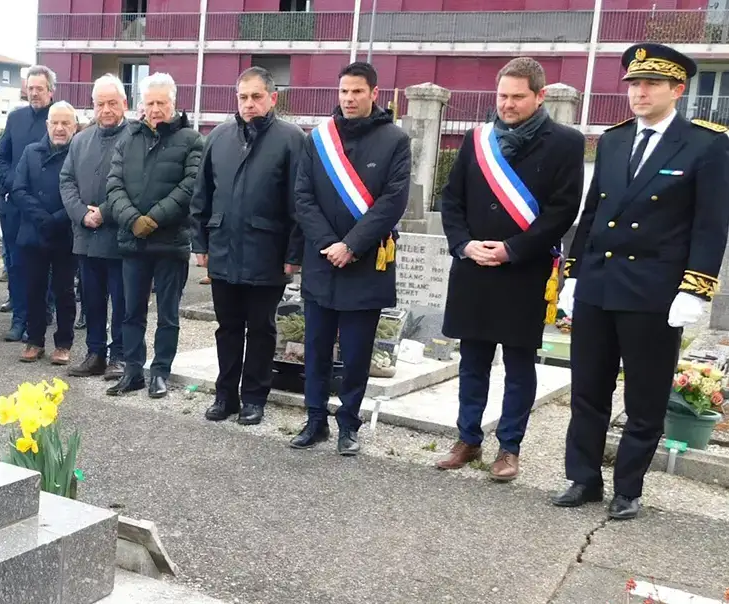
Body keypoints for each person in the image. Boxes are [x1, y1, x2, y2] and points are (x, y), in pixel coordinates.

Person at [553, 43, 729, 520]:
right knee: (588, 389)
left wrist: (695, 287)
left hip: (653, 293)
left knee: (644, 397)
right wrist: (572, 274)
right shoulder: (613, 139)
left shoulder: (706, 143)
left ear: (678, 88)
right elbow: (592, 215)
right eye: (633, 83)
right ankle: (583, 478)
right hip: (598, 286)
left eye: (651, 83)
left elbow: (711, 224)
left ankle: (627, 488)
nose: (639, 92)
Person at [436, 58, 585, 482]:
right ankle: (467, 439)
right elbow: (452, 199)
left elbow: (562, 210)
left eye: (517, 96)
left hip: (523, 269)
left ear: (540, 96)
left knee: (519, 365)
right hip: (474, 266)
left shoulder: (566, 143)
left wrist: (512, 250)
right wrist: (464, 244)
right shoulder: (477, 139)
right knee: (473, 360)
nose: (507, 104)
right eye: (502, 95)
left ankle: (509, 447)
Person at [290, 61, 411, 453]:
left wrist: (351, 245)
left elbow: (393, 201)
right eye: (344, 91)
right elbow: (302, 196)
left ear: (374, 93)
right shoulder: (318, 139)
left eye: (357, 91)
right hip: (322, 260)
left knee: (357, 352)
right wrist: (329, 243)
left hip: (365, 263)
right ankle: (314, 421)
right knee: (316, 347)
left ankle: (348, 426)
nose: (349, 98)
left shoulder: (395, 139)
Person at [191, 66, 305, 426]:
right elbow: (202, 196)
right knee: (226, 327)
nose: (249, 104)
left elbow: (298, 203)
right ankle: (225, 395)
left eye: (257, 97)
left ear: (272, 98)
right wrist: (200, 243)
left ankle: (255, 397)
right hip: (223, 247)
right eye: (243, 97)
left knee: (261, 328)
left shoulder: (291, 139)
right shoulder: (219, 137)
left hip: (266, 251)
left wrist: (293, 253)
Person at [104, 73, 204, 399]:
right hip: (134, 242)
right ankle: (132, 370)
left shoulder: (191, 140)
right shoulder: (128, 138)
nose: (156, 109)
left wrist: (154, 218)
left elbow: (190, 187)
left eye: (162, 102)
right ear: (141, 105)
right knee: (131, 311)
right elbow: (114, 184)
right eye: (150, 103)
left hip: (170, 242)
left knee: (168, 314)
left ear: (174, 103)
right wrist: (133, 220)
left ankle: (160, 372)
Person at [60, 74, 132, 379]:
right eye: (100, 104)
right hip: (86, 237)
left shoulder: (136, 138)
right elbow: (66, 181)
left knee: (122, 301)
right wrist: (80, 213)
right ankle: (95, 353)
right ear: (93, 106)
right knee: (91, 299)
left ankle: (119, 355)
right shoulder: (80, 140)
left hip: (119, 237)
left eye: (112, 103)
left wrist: (103, 212)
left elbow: (136, 185)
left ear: (124, 104)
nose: (106, 109)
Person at [14, 102, 78, 364]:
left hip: (66, 233)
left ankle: (63, 343)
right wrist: (43, 218)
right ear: (47, 125)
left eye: (66, 123)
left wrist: (58, 219)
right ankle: (34, 340)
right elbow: (18, 190)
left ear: (75, 127)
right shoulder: (30, 152)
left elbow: (82, 193)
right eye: (55, 123)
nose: (60, 128)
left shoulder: (78, 153)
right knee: (33, 290)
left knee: (64, 292)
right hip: (34, 232)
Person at [0, 65, 56, 341]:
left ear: (50, 91)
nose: (34, 93)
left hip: (46, 208)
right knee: (17, 265)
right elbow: (1, 156)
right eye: (30, 88)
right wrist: (12, 183)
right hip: (15, 204)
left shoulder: (59, 118)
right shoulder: (16, 118)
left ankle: (42, 314)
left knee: (47, 267)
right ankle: (19, 319)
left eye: (39, 88)